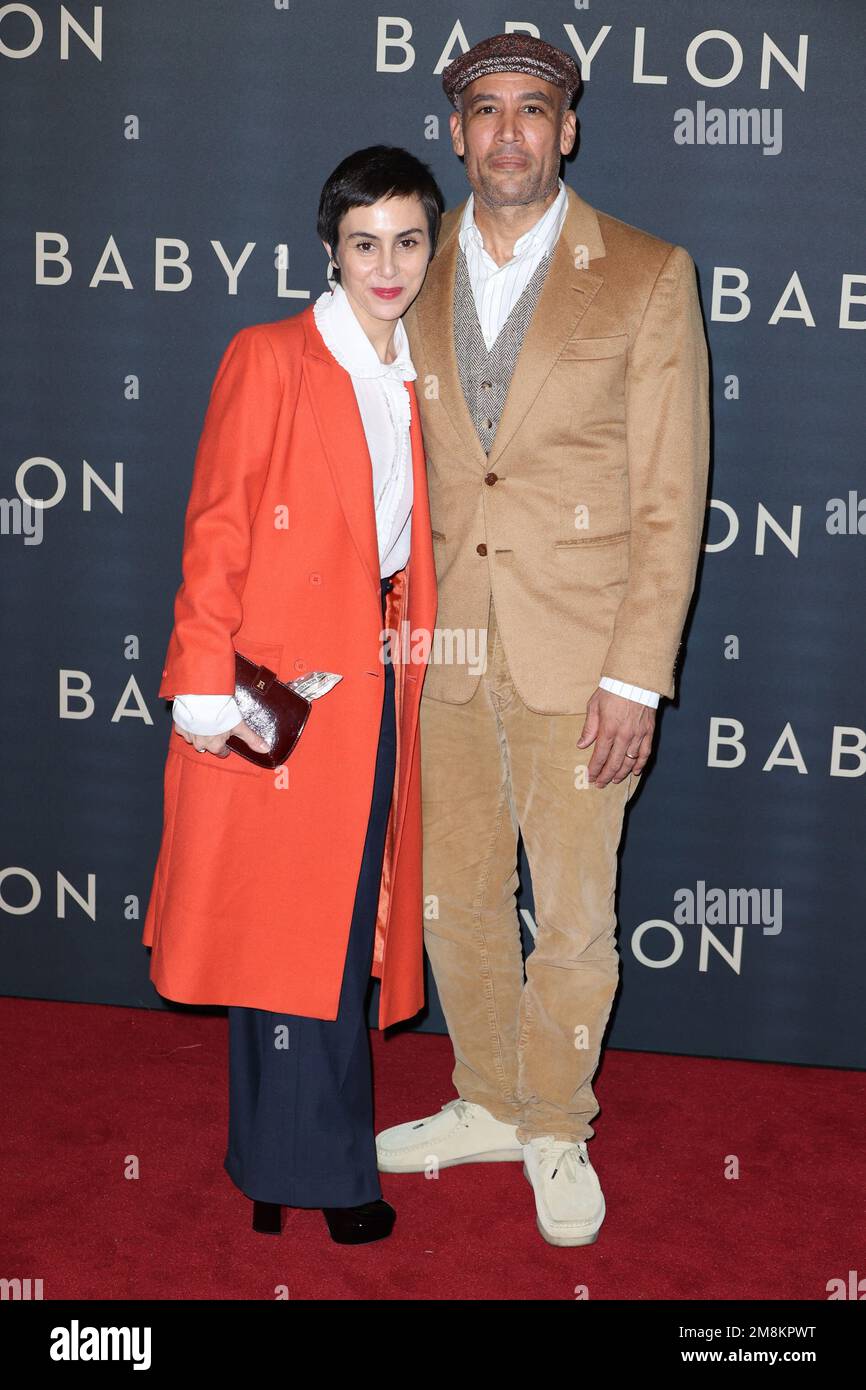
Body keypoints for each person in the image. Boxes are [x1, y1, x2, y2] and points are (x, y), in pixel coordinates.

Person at [376, 34, 711, 1247]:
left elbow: (670, 495)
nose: (508, 131)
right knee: (454, 900)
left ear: (568, 127)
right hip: (440, 648)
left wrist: (635, 673)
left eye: (533, 109)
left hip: (583, 657)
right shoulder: (404, 264)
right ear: (454, 131)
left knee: (570, 911)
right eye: (484, 110)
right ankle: (485, 1099)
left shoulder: (639, 271)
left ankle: (555, 1120)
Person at [142, 145, 441, 1245]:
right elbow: (216, 526)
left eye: (407, 241)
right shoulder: (269, 355)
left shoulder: (420, 376)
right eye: (364, 242)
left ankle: (274, 1164)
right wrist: (198, 680)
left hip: (376, 690)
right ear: (330, 249)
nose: (385, 264)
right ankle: (322, 1173)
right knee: (287, 934)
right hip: (281, 695)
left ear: (428, 249)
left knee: (336, 924)